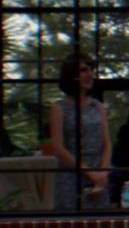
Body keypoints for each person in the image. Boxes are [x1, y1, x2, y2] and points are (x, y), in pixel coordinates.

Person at [48, 53, 112, 209]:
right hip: (71, 175)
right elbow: (58, 148)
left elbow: (107, 143)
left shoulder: (97, 106)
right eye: (83, 70)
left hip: (98, 176)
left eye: (90, 70)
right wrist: (89, 172)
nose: (89, 74)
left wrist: (102, 173)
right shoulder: (59, 108)